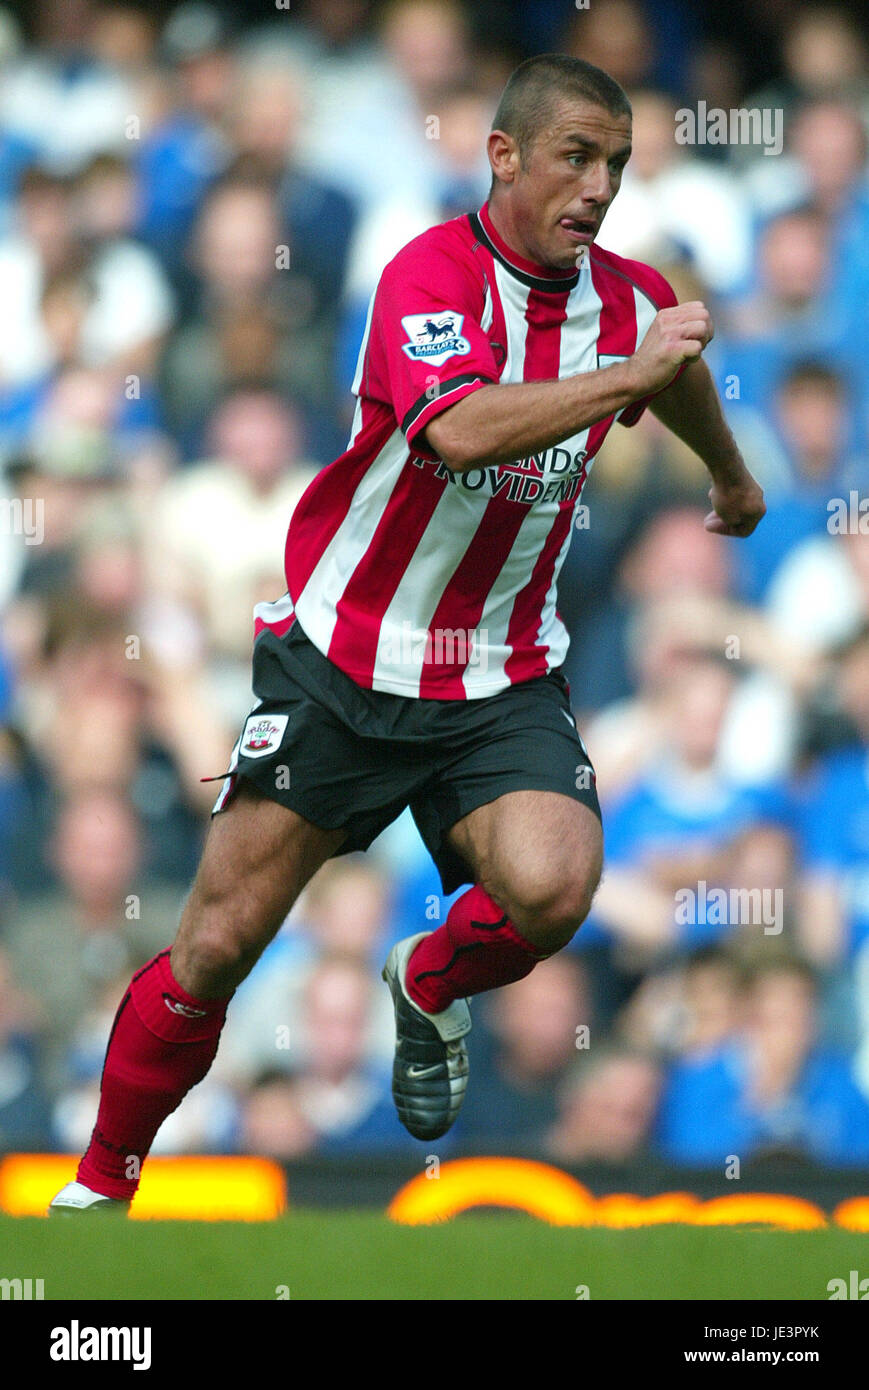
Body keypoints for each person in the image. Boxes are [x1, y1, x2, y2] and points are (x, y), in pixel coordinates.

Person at [50, 53, 765, 1214]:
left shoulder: (626, 302)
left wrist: (727, 478)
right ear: (505, 156)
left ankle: (425, 978)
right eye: (575, 156)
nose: (597, 186)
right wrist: (621, 376)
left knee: (554, 886)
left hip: (498, 672)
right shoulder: (427, 274)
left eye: (616, 165)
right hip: (343, 659)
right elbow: (463, 431)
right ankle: (100, 1185)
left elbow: (673, 371)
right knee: (217, 947)